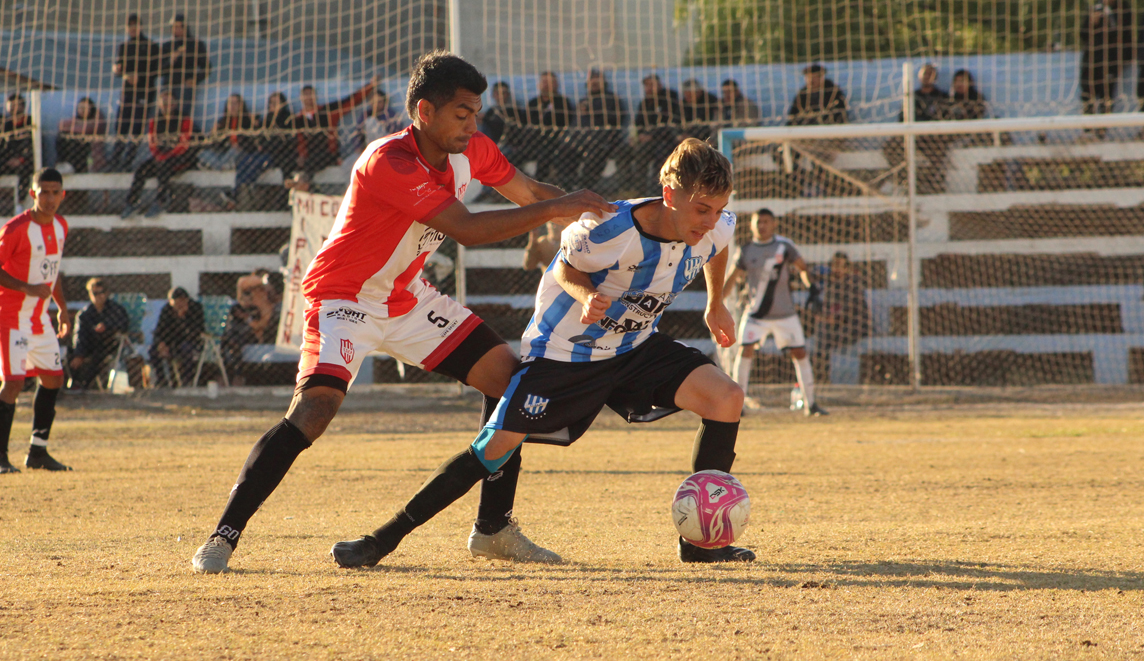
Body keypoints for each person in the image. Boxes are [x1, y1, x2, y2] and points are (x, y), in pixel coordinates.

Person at [190, 50, 612, 574]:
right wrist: (556, 209)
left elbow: (528, 192)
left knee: (512, 385)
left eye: (476, 113)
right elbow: (468, 230)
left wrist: (606, 215)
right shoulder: (388, 160)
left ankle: (493, 529)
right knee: (314, 411)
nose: (472, 126)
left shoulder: (473, 148)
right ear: (423, 112)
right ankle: (223, 537)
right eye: (462, 114)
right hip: (344, 297)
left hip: (406, 297)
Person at [330, 138, 756, 568]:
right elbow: (564, 267)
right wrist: (587, 296)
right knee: (494, 447)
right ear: (669, 195)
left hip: (634, 347)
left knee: (726, 398)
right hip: (564, 354)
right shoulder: (608, 229)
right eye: (702, 209)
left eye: (718, 209)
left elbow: (717, 245)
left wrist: (715, 302)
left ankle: (700, 545)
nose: (710, 221)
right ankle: (381, 540)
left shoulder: (714, 227)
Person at [0, 167, 72, 473]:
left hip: (39, 317)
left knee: (54, 378)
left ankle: (38, 452)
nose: (49, 198)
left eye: (55, 192)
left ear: (62, 195)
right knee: (14, 383)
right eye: (43, 192)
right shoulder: (16, 228)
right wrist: (25, 287)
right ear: (33, 193)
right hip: (10, 315)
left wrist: (62, 308)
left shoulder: (61, 225)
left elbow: (52, 270)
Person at [725, 208, 825, 416]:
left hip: (785, 313)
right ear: (751, 225)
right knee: (745, 351)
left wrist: (812, 289)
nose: (762, 225)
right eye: (758, 222)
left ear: (774, 224)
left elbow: (803, 268)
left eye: (766, 221)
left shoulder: (784, 246)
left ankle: (811, 404)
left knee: (800, 353)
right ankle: (737, 406)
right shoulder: (745, 250)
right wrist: (715, 303)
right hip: (755, 314)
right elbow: (733, 278)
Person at [120, 90, 197, 219]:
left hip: (181, 158)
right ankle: (131, 203)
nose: (167, 105)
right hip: (161, 157)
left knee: (163, 166)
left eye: (170, 102)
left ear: (175, 103)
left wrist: (166, 156)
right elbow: (153, 144)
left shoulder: (185, 119)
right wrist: (158, 156)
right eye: (164, 102)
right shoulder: (155, 121)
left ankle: (160, 201)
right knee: (141, 170)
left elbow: (183, 145)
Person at [883, 64, 951, 190]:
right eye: (924, 74)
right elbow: (902, 118)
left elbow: (945, 118)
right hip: (913, 135)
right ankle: (906, 177)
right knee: (890, 146)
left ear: (935, 77)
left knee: (939, 153)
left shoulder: (942, 97)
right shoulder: (912, 96)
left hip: (933, 138)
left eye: (930, 74)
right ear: (919, 76)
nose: (927, 77)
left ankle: (928, 182)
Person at [108, 13, 160, 172]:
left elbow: (157, 70)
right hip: (128, 92)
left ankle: (128, 162)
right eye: (129, 26)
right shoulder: (124, 47)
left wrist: (140, 77)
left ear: (141, 27)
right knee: (121, 127)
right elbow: (119, 67)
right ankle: (115, 161)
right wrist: (119, 71)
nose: (132, 29)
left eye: (135, 25)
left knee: (137, 128)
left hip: (144, 93)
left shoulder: (151, 46)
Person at [810, 252, 871, 384]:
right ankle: (821, 378)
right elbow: (821, 304)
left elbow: (853, 309)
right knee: (820, 334)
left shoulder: (854, 284)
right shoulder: (828, 284)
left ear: (847, 268)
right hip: (833, 326)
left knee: (824, 334)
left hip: (852, 326)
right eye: (834, 265)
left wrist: (835, 318)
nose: (836, 269)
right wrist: (821, 315)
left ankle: (827, 377)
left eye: (840, 266)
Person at [1080, 0, 1133, 121]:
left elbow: (1126, 35)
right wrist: (1092, 22)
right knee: (1088, 95)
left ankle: (1103, 129)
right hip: (1091, 61)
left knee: (1106, 96)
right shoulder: (1095, 7)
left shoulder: (1123, 9)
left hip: (1111, 61)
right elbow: (1082, 34)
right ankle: (1088, 129)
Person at [566, 68, 625, 190]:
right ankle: (566, 188)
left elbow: (617, 119)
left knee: (594, 155)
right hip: (579, 140)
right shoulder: (583, 101)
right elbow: (574, 123)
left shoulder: (611, 99)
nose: (594, 82)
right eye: (591, 80)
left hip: (602, 141)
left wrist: (592, 112)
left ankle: (586, 188)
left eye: (597, 79)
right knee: (563, 152)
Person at [68, 277, 130, 392]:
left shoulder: (116, 309)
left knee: (97, 355)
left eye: (101, 292)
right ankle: (74, 383)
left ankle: (85, 385)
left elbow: (123, 324)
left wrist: (107, 326)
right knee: (70, 352)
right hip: (89, 344)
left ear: (107, 293)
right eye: (94, 293)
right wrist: (79, 354)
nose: (98, 296)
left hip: (110, 343)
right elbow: (79, 334)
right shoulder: (84, 314)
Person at [221, 269, 281, 384]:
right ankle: (233, 372)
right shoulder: (240, 308)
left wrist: (248, 320)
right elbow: (241, 284)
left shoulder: (270, 307)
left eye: (259, 289)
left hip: (259, 335)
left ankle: (238, 373)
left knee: (238, 338)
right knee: (233, 336)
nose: (254, 293)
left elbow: (261, 324)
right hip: (242, 333)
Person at [627, 73, 683, 194]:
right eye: (646, 86)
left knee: (661, 155)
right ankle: (639, 190)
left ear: (659, 85)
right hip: (648, 141)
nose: (649, 88)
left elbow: (670, 123)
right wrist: (640, 135)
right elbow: (638, 123)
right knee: (639, 154)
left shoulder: (669, 98)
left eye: (651, 85)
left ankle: (659, 189)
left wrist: (652, 135)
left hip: (667, 139)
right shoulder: (645, 103)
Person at [150, 286, 204, 388]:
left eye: (182, 301)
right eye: (177, 302)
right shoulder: (167, 310)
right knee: (153, 350)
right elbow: (159, 330)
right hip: (171, 341)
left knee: (186, 349)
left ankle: (186, 381)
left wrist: (183, 318)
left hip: (189, 341)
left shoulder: (195, 309)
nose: (179, 305)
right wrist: (161, 343)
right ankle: (162, 380)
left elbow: (196, 332)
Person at [159, 13, 211, 118]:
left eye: (180, 26)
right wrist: (171, 60)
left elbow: (207, 67)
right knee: (165, 114)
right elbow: (159, 69)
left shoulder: (195, 45)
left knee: (182, 115)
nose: (177, 30)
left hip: (185, 86)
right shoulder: (167, 46)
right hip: (168, 86)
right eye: (174, 27)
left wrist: (195, 79)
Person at [0, 93, 35, 213]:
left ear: (23, 106)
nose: (14, 108)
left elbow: (33, 146)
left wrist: (21, 159)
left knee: (24, 171)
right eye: (11, 105)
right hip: (8, 161)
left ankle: (19, 204)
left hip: (25, 161)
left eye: (17, 105)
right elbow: (0, 147)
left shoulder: (30, 122)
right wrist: (4, 160)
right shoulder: (5, 125)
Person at [56, 97, 108, 174]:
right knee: (62, 136)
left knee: (77, 138)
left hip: (88, 149)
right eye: (80, 108)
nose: (82, 110)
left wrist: (74, 125)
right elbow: (61, 125)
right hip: (73, 149)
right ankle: (66, 164)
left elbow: (86, 129)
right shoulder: (76, 119)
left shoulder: (97, 119)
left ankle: (77, 167)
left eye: (85, 108)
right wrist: (79, 123)